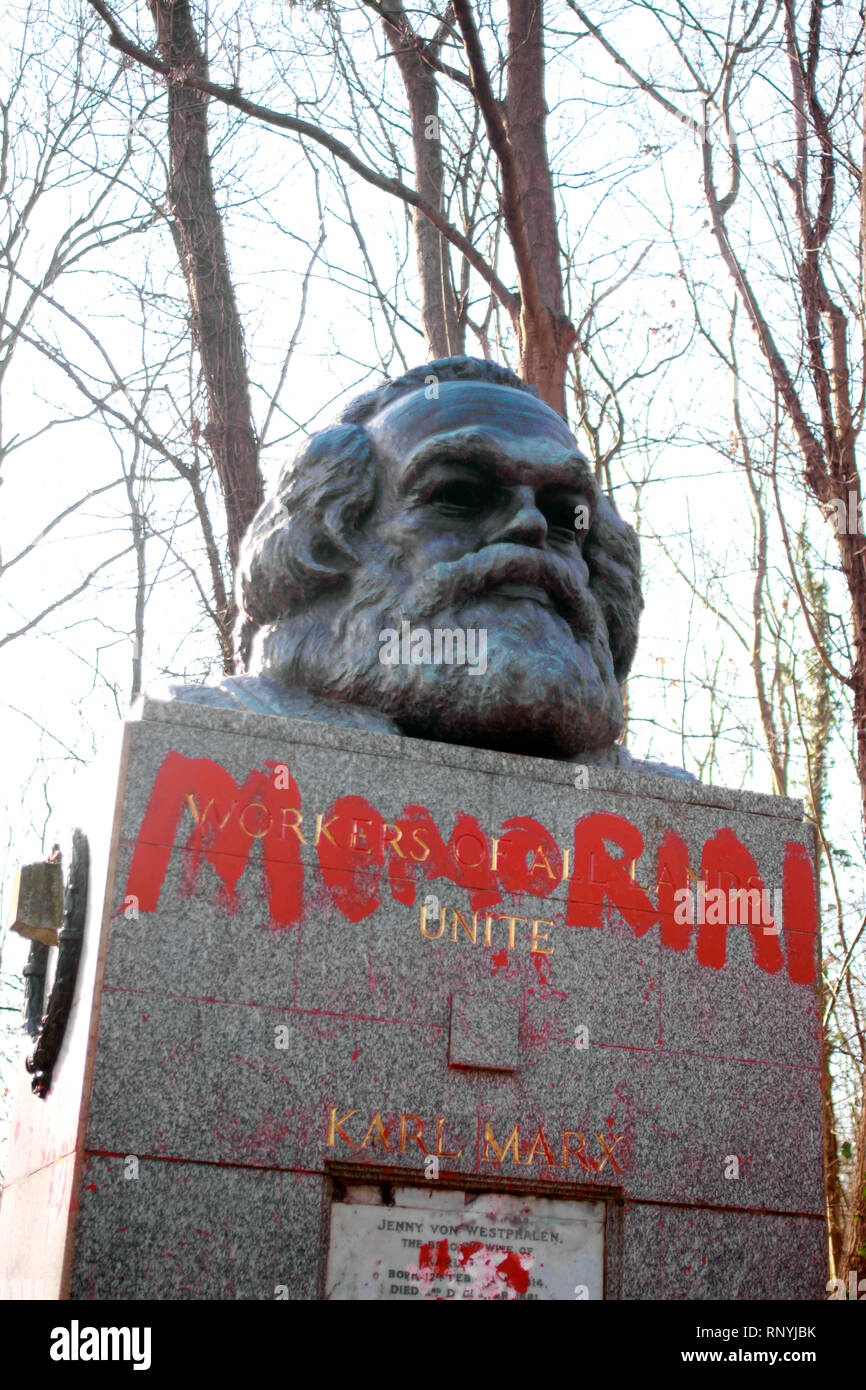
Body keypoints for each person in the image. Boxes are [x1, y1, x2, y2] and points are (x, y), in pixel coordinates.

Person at [165, 357, 689, 778]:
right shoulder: (203, 743)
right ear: (328, 544)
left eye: (561, 514)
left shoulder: (670, 818)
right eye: (460, 495)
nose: (530, 524)